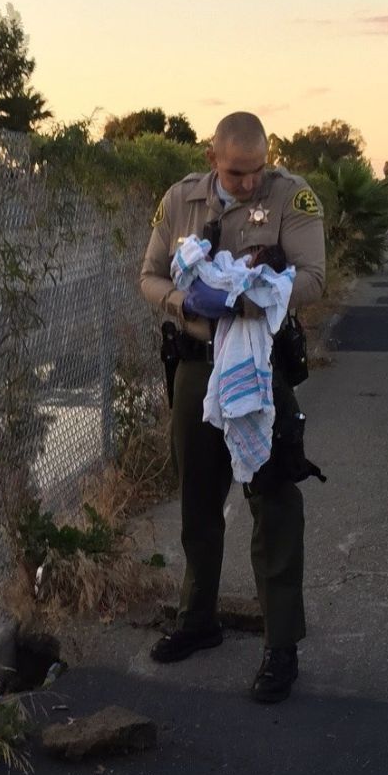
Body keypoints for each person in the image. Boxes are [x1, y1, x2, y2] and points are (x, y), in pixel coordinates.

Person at [140, 111, 326, 703]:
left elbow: (315, 278)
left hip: (261, 366)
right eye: (236, 172)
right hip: (196, 363)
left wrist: (255, 292)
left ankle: (280, 645)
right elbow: (147, 275)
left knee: (272, 501)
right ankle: (197, 619)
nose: (248, 183)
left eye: (257, 171)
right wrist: (184, 301)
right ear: (212, 156)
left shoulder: (293, 197)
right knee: (197, 497)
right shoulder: (179, 199)